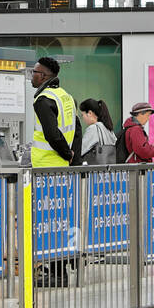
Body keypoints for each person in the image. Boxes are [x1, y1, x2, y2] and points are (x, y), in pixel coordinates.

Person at [29, 57, 80, 286]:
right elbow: (76, 130)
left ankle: (57, 273)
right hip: (63, 169)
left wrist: (64, 153)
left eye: (35, 72)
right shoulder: (65, 96)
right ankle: (60, 270)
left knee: (48, 222)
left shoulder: (43, 99)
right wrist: (72, 158)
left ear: (45, 76)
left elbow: (51, 134)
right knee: (59, 220)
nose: (32, 75)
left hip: (47, 168)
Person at [78, 98, 117, 165]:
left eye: (82, 115)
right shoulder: (107, 127)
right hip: (109, 168)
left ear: (89, 113)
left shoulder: (93, 128)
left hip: (95, 170)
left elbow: (81, 150)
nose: (83, 118)